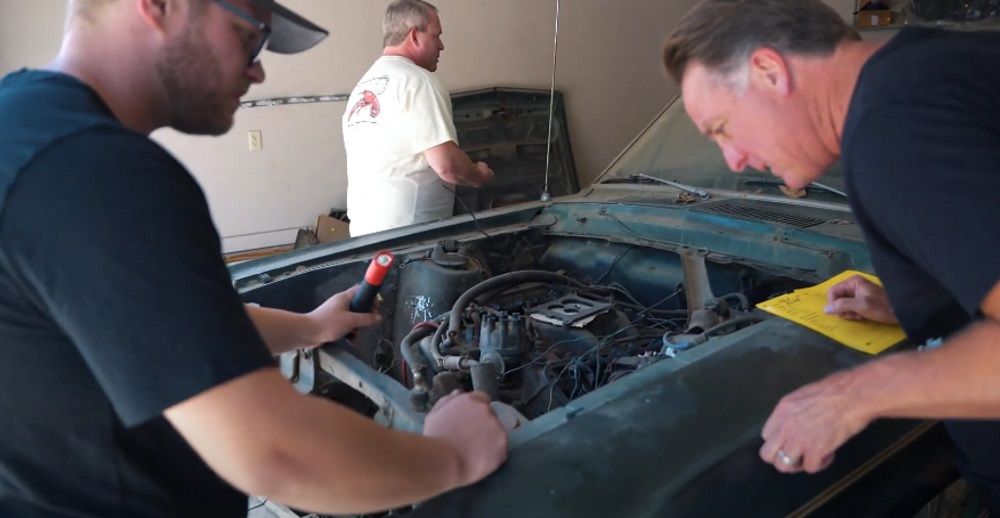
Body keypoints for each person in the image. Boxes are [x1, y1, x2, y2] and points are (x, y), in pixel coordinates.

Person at [0, 0, 506, 516]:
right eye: (250, 39)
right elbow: (275, 452)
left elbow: (166, 326)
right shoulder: (98, 170)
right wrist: (453, 456)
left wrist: (308, 327)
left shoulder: (24, 125)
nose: (259, 69)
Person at [662, 0, 1000, 512]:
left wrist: (852, 396)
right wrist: (934, 296)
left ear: (770, 71)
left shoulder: (896, 132)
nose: (733, 159)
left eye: (722, 127)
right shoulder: (927, 66)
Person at [342, 0, 494, 237]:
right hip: (411, 237)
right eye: (437, 35)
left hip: (365, 233)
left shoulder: (364, 86)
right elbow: (448, 166)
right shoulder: (417, 81)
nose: (441, 45)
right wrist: (479, 176)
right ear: (414, 36)